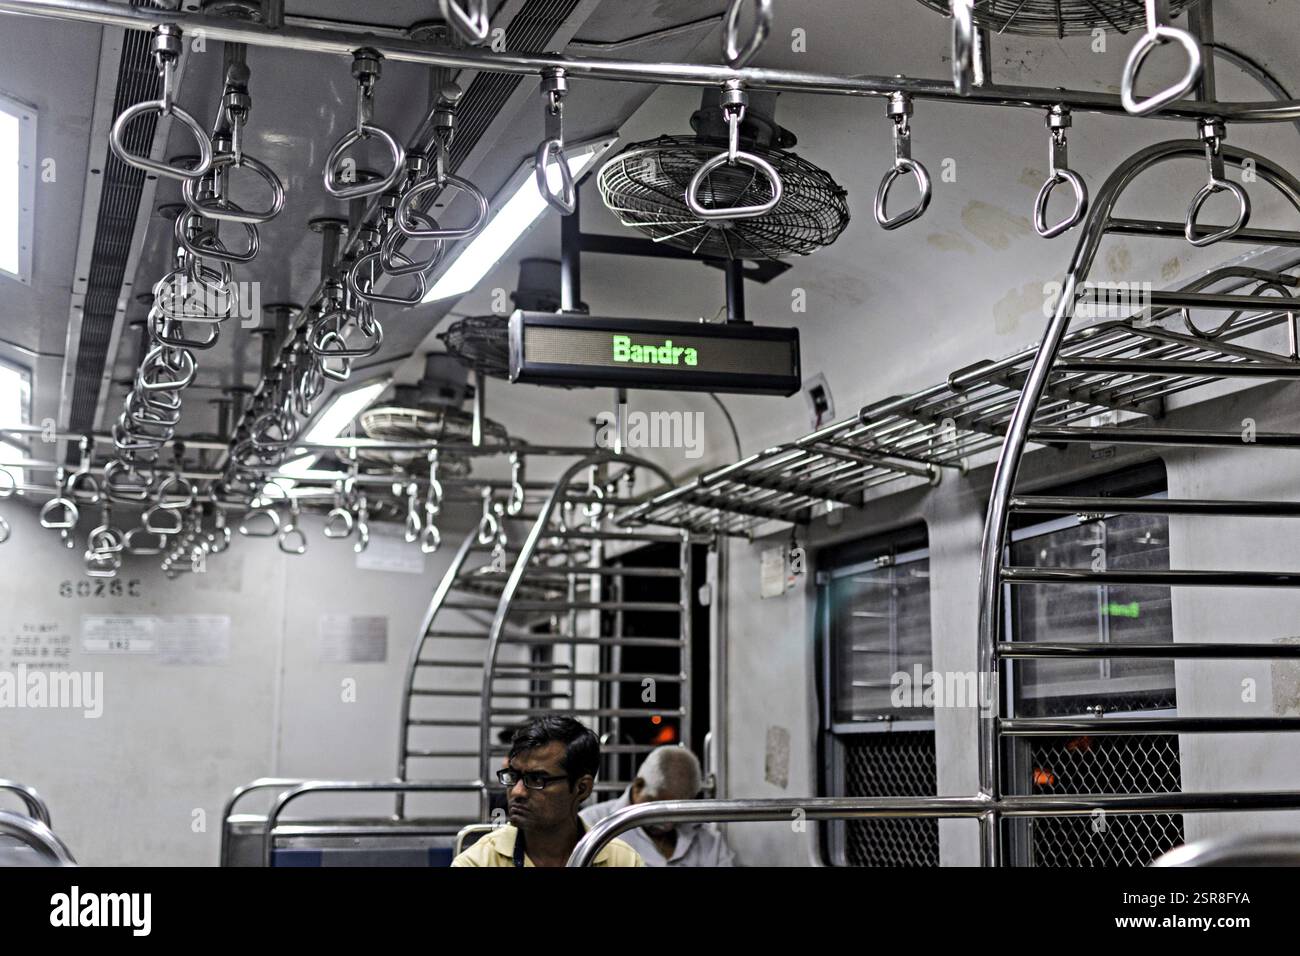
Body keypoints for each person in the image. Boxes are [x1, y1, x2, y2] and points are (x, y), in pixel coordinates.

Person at [452, 715, 644, 867]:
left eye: (536, 779)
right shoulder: (479, 862)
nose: (517, 792)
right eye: (513, 776)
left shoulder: (622, 861)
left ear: (581, 788)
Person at [580, 746, 737, 866]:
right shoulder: (592, 826)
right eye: (661, 807)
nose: (668, 823)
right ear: (638, 786)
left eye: (680, 811)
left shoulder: (706, 839)